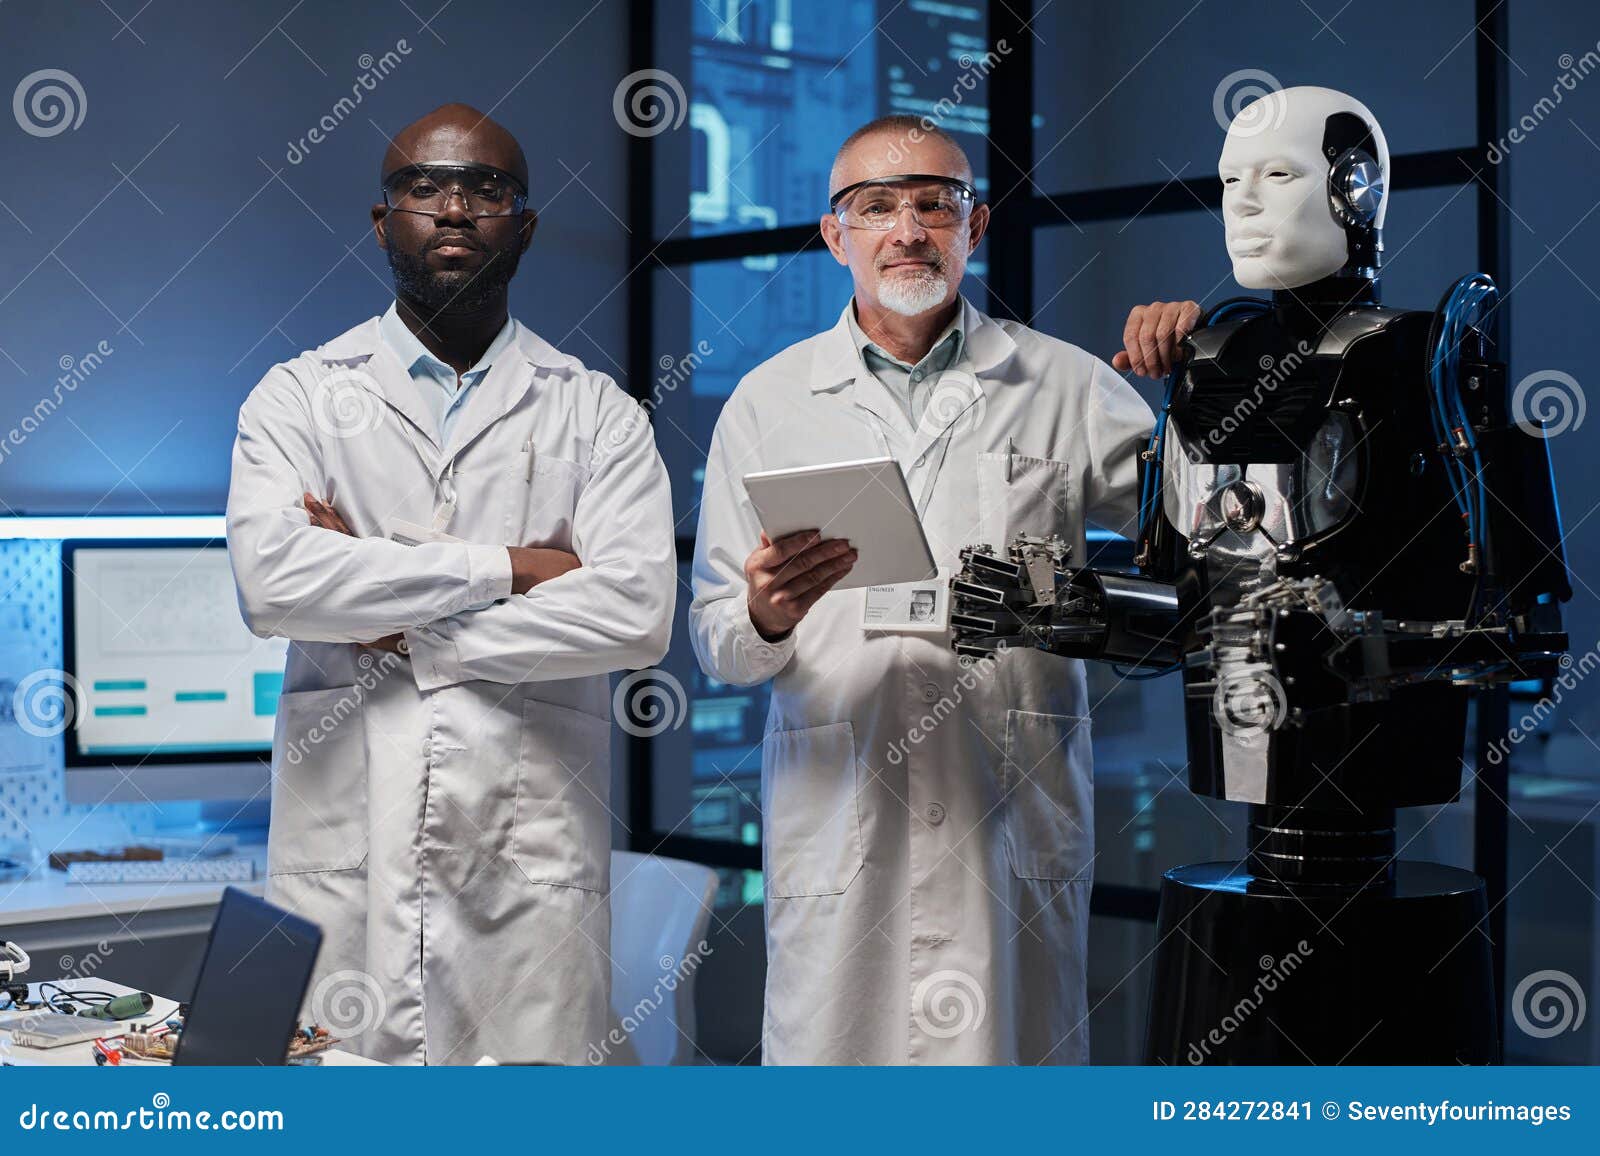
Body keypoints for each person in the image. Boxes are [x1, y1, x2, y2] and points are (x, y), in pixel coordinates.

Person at [688, 115, 1154, 1064]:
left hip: (1008, 816)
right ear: (836, 236)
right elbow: (715, 639)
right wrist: (766, 613)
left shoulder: (1064, 385)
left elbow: (1198, 539)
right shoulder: (768, 403)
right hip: (844, 824)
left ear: (973, 227)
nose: (907, 227)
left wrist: (1197, 382)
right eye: (875, 206)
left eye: (934, 203)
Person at [226, 104, 674, 1065]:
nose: (455, 208)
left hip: (527, 878)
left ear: (527, 223)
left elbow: (635, 613)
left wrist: (397, 623)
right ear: (383, 220)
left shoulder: (597, 414)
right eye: (423, 187)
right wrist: (511, 568)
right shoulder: (299, 395)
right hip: (345, 862)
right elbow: (273, 583)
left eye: (487, 189)